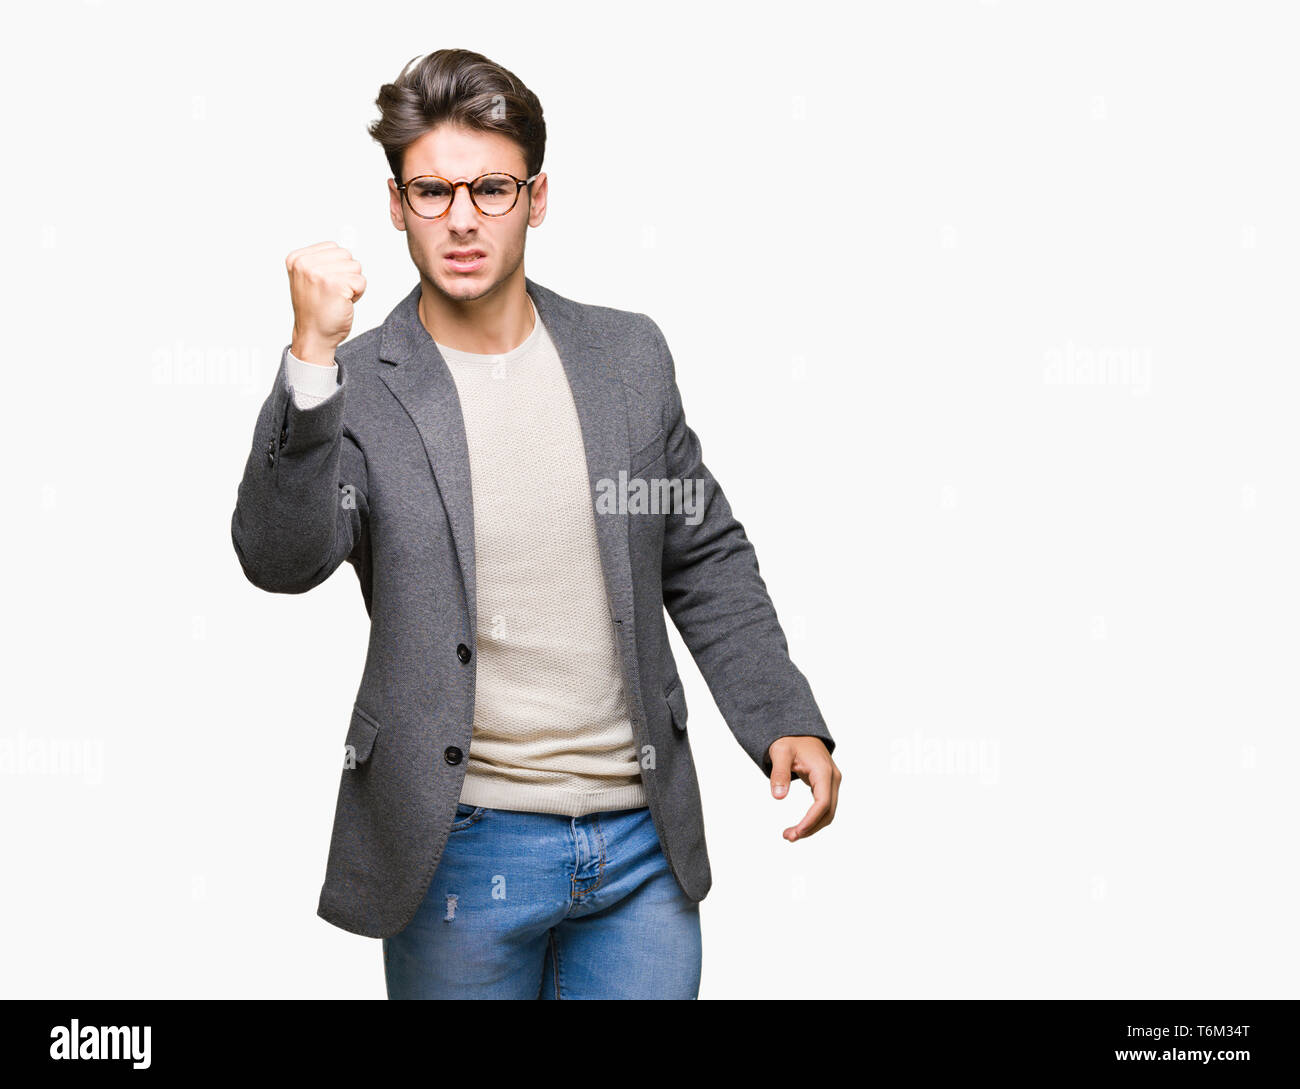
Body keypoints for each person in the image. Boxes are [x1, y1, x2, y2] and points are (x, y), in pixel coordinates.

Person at [230, 48, 841, 999]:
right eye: (431, 191)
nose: (462, 218)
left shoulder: (627, 357)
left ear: (537, 197)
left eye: (492, 188)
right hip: (461, 849)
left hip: (641, 847)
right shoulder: (365, 385)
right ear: (396, 205)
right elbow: (279, 557)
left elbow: (702, 551)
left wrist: (782, 715)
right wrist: (313, 357)